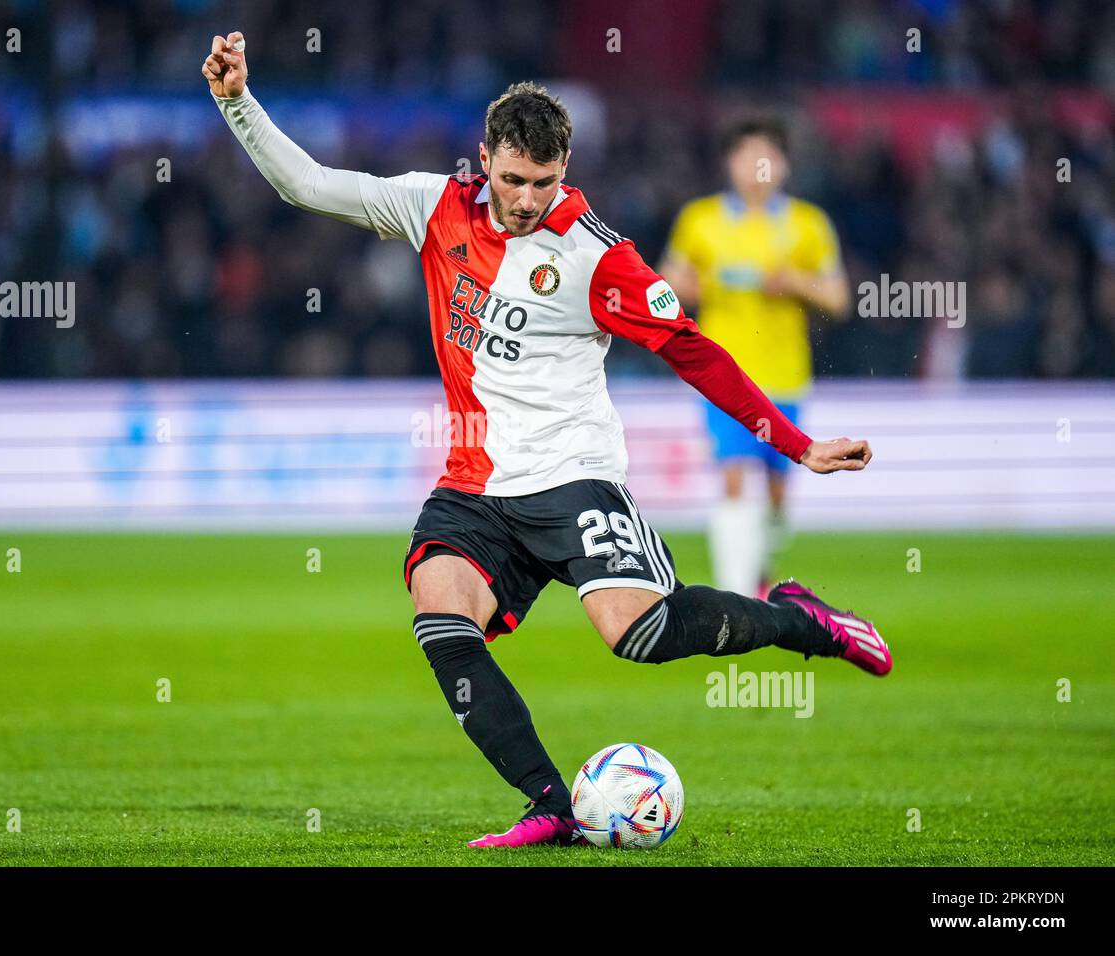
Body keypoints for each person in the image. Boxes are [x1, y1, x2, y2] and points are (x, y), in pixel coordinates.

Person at [203, 33, 890, 849]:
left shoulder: (598, 257)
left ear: (565, 169)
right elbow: (308, 184)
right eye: (515, 180)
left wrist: (795, 443)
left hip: (574, 473)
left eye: (547, 182)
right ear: (483, 158)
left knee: (637, 633)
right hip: (474, 485)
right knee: (439, 610)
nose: (528, 199)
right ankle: (550, 805)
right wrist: (237, 102)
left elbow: (693, 350)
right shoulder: (433, 205)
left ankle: (801, 621)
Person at [658, 118, 851, 597]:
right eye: (747, 157)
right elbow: (664, 281)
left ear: (783, 164)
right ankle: (738, 592)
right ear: (730, 163)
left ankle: (759, 559)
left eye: (766, 157)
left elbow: (839, 297)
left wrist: (796, 283)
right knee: (733, 477)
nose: (756, 168)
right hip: (723, 375)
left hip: (785, 375)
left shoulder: (808, 224)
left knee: (777, 493)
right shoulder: (700, 220)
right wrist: (696, 285)